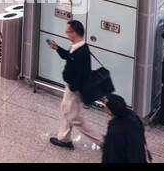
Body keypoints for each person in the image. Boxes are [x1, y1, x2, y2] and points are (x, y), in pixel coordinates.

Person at [48, 20, 102, 149]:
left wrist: (72, 87)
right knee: (65, 110)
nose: (67, 34)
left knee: (74, 118)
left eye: (68, 31)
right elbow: (68, 56)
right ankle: (64, 138)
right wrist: (57, 48)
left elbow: (82, 73)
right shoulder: (78, 47)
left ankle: (103, 141)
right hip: (72, 87)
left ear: (74, 33)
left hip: (74, 88)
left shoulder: (81, 52)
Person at [101, 94, 148, 163]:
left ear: (110, 111)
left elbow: (113, 155)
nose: (104, 107)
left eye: (105, 105)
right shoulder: (133, 116)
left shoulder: (115, 129)